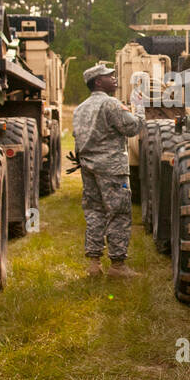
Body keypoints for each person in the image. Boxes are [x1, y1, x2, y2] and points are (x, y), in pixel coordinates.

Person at [72, 62, 143, 277]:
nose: (114, 78)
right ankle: (117, 266)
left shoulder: (79, 108)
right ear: (97, 82)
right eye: (108, 76)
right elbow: (131, 128)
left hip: (89, 167)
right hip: (112, 169)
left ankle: (94, 265)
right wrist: (139, 110)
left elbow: (78, 140)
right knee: (118, 212)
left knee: (94, 212)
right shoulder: (110, 104)